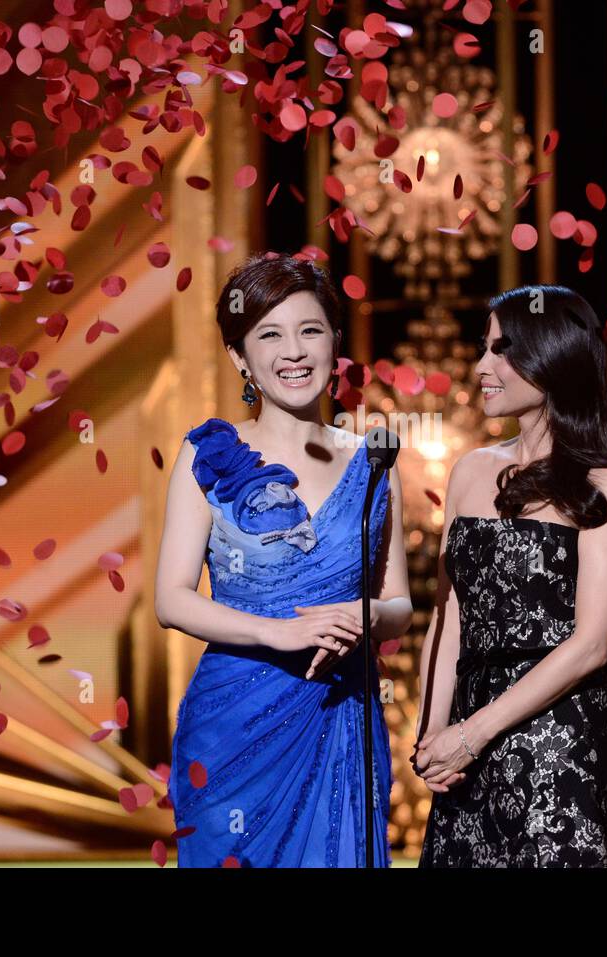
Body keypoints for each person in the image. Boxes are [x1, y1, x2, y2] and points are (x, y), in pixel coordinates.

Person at [154, 253, 412, 867]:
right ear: (241, 357)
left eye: (310, 330)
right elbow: (171, 599)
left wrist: (360, 614)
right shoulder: (208, 456)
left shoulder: (373, 459)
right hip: (236, 727)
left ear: (335, 345)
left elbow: (398, 605)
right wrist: (284, 631)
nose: (293, 351)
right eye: (269, 334)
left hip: (341, 717)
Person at [413, 284, 607, 868]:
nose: (481, 367)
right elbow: (448, 616)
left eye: (500, 351)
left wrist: (472, 733)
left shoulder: (605, 484)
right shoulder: (469, 472)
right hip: (467, 756)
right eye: (483, 349)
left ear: (552, 359)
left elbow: (590, 646)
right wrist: (432, 735)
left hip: (560, 744)